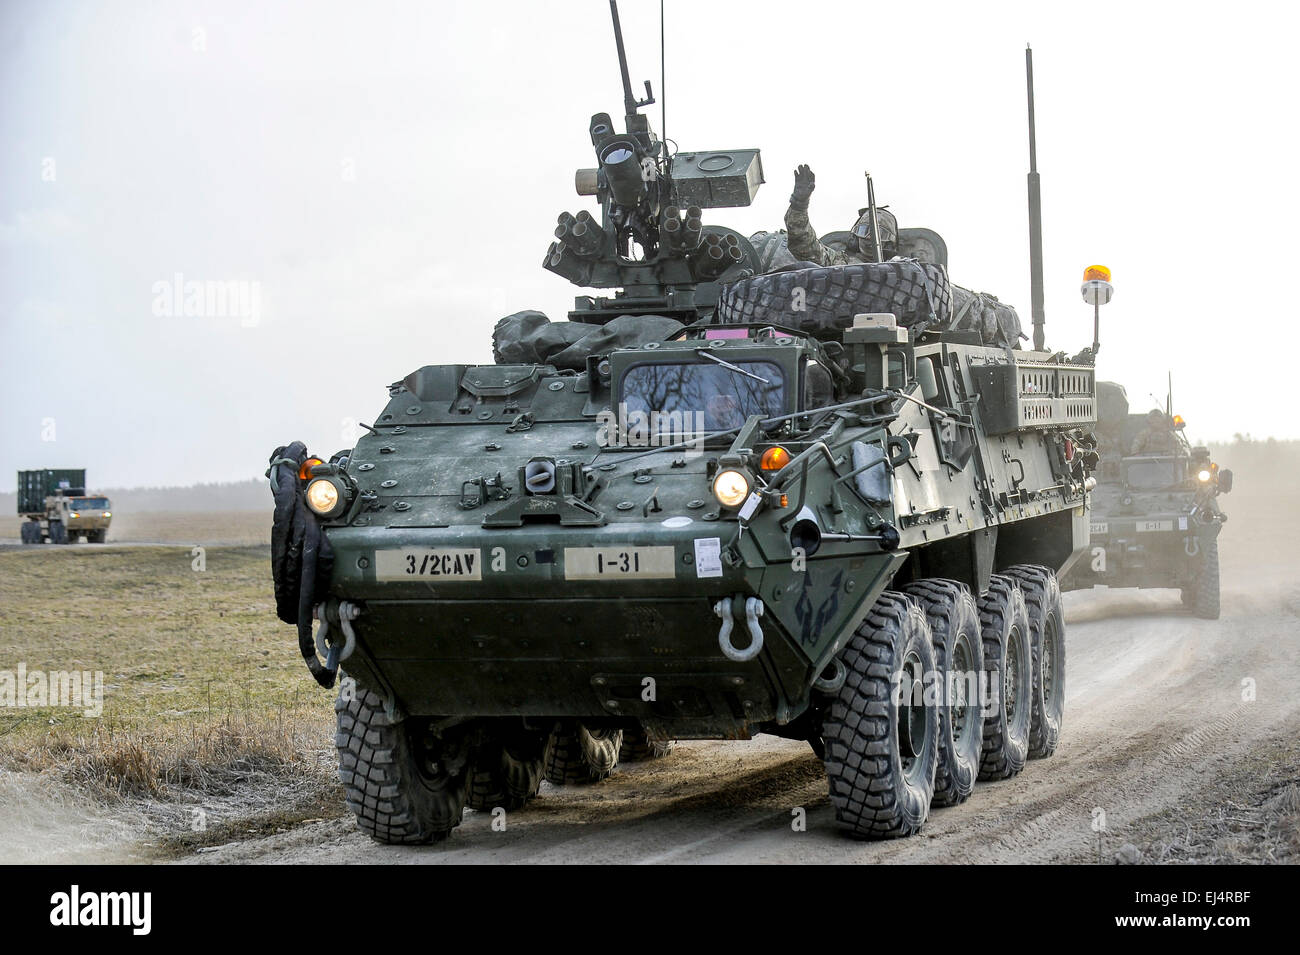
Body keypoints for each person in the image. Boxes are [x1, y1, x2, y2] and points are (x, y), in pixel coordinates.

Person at [784, 164, 898, 266]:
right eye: (863, 230)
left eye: (879, 234)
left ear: (890, 242)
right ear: (855, 237)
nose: (869, 237)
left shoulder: (902, 267)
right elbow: (804, 246)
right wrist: (799, 204)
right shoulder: (840, 264)